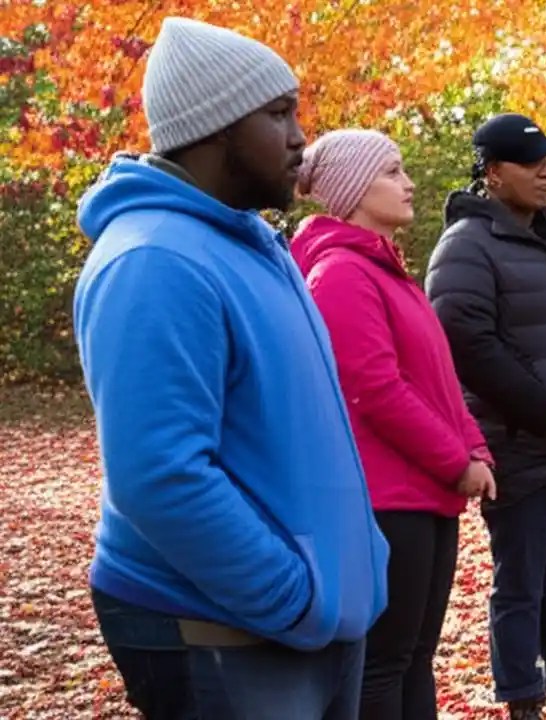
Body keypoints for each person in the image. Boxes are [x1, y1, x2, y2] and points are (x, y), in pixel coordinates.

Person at [72, 17, 388, 720]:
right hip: (223, 630)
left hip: (305, 625)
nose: (302, 138)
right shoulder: (154, 259)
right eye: (278, 115)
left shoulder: (249, 245)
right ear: (215, 130)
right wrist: (294, 596)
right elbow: (160, 475)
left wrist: (360, 560)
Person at [289, 128, 497, 720]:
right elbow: (374, 389)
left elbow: (437, 378)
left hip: (426, 498)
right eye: (391, 173)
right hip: (388, 501)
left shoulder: (387, 271)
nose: (408, 184)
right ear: (353, 189)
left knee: (414, 659)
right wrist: (456, 461)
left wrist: (475, 447)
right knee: (385, 662)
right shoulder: (341, 274)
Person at [425, 113, 546, 720]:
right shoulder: (466, 246)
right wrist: (542, 410)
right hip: (520, 445)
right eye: (530, 161)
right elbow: (464, 339)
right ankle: (522, 701)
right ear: (492, 173)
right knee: (521, 589)